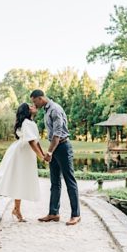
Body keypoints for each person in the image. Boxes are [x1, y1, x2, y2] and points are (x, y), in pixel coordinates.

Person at [29, 89, 81, 226]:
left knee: (70, 181)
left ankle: (76, 215)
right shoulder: (46, 110)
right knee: (55, 182)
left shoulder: (55, 109)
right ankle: (53, 213)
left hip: (63, 147)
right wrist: (51, 151)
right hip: (55, 148)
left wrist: (50, 152)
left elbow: (57, 134)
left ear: (40, 98)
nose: (34, 105)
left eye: (35, 101)